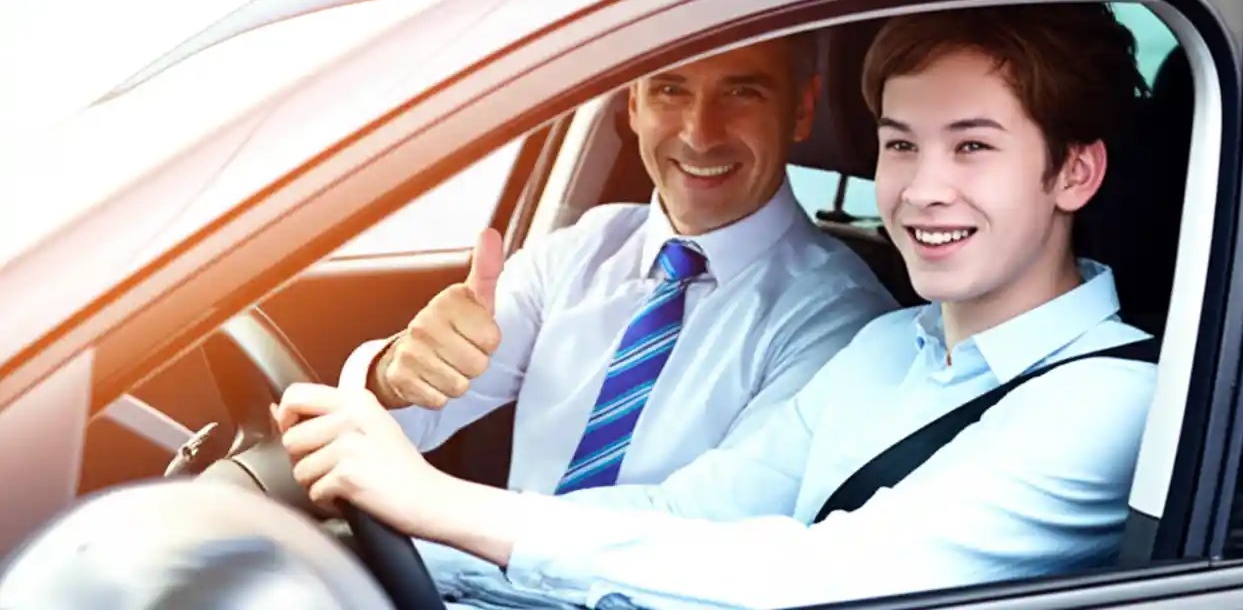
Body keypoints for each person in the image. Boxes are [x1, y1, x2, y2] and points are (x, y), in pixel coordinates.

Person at [276, 3, 1159, 608]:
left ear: (1074, 171)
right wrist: (376, 547)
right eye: (901, 145)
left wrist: (438, 506)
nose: (923, 191)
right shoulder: (893, 346)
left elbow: (824, 581)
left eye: (972, 147)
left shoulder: (1114, 400)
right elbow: (685, 514)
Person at [338, 33, 895, 497]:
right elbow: (405, 422)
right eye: (670, 89)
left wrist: (441, 522)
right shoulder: (575, 252)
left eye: (742, 92)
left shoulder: (841, 320)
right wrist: (396, 374)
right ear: (633, 104)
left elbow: (696, 538)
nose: (700, 133)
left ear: (800, 109)